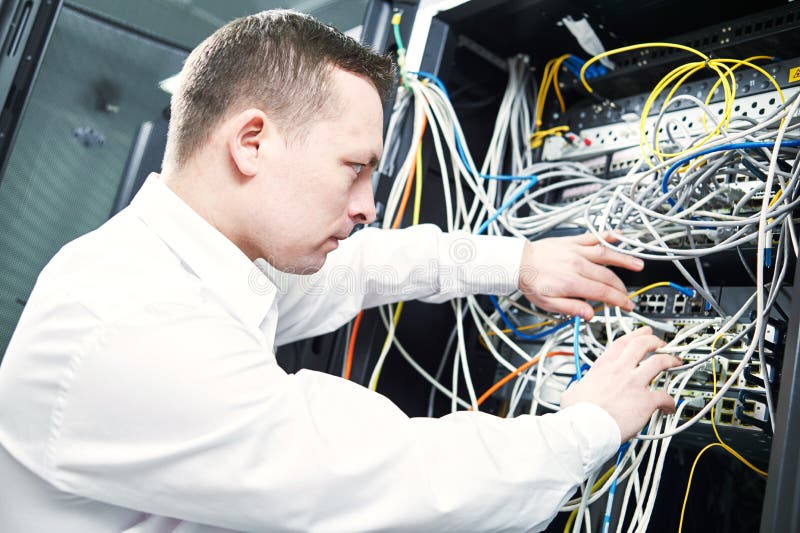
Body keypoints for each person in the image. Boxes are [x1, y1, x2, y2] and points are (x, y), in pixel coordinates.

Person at [0, 10, 680, 532]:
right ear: (252, 143)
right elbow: (394, 474)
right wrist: (587, 424)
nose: (367, 206)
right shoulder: (131, 321)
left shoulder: (188, 261)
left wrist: (518, 261)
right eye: (354, 168)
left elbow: (362, 268)